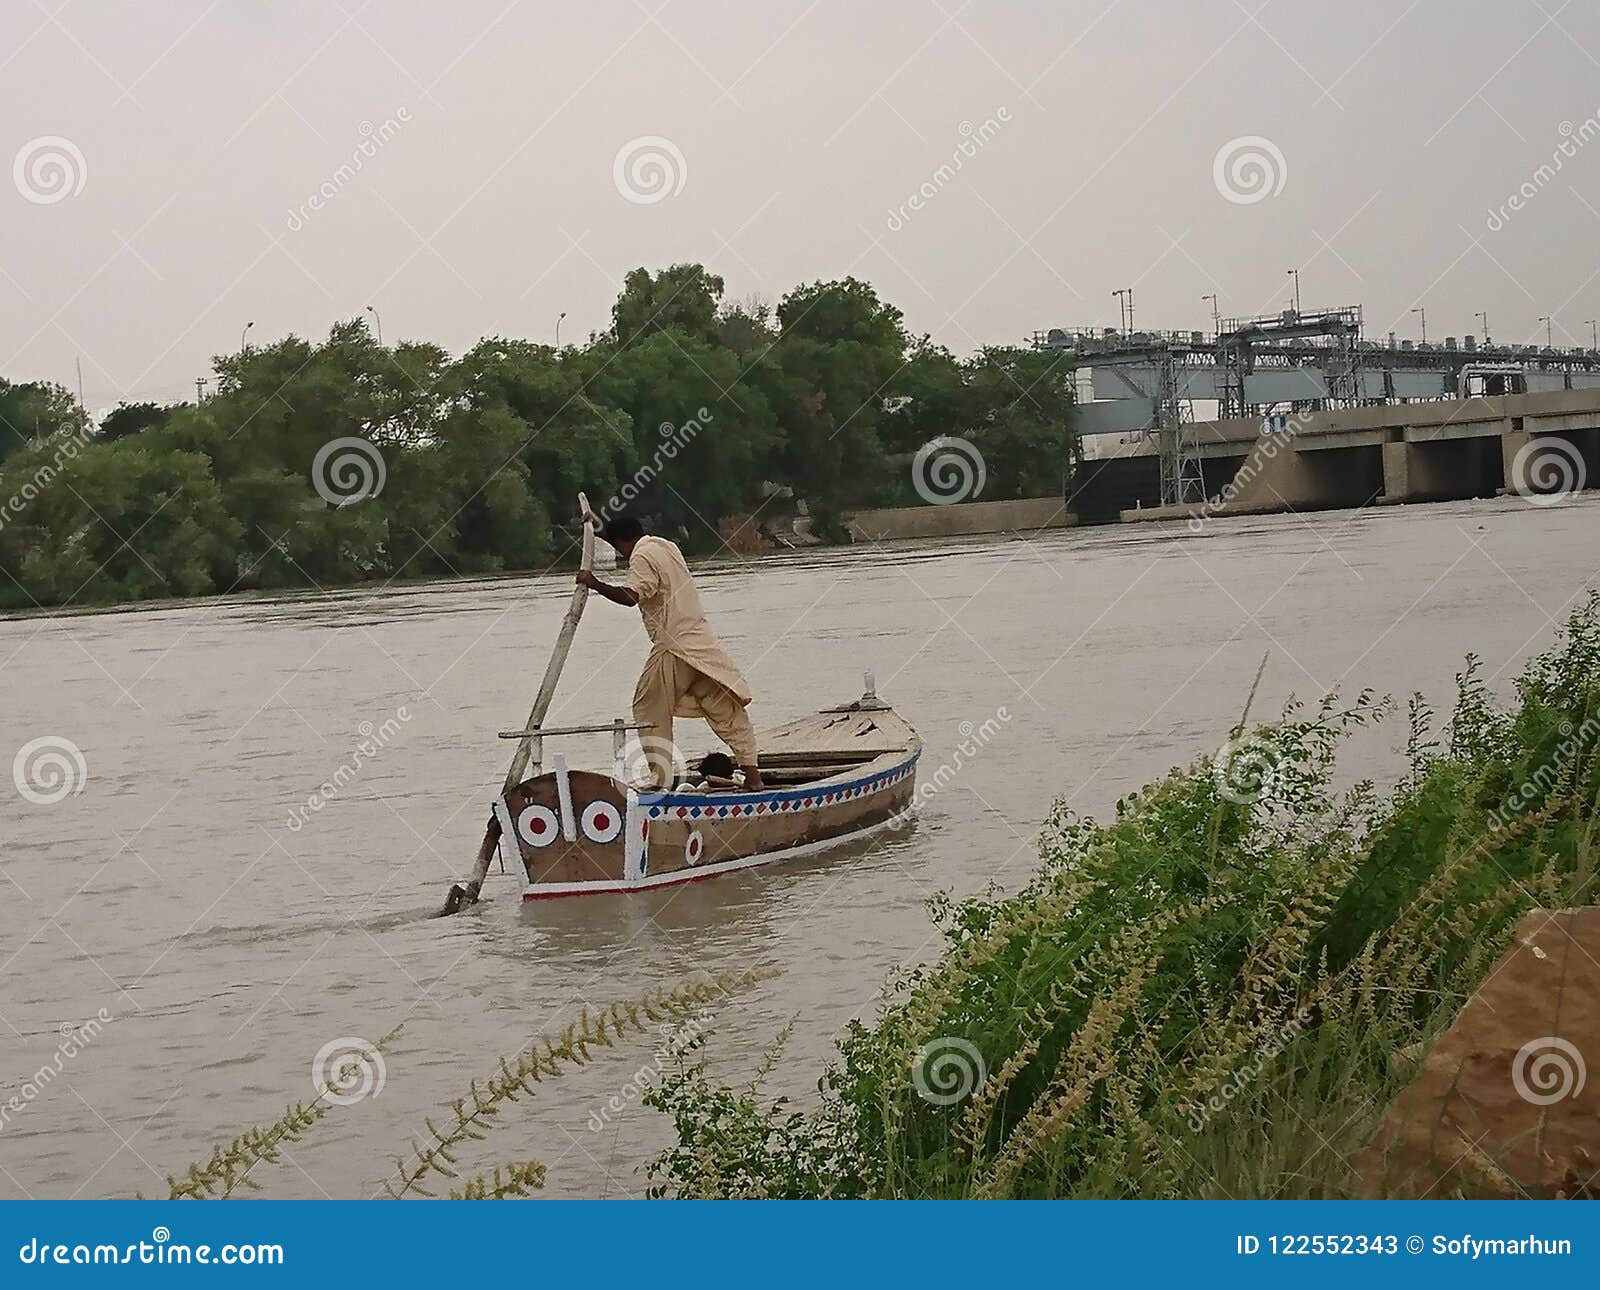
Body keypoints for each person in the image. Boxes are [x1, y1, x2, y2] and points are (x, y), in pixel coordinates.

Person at [577, 516, 764, 790]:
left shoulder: (641, 557)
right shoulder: (665, 546)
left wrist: (594, 582)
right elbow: (625, 540)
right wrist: (598, 530)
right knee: (723, 707)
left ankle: (660, 780)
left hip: (673, 646)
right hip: (700, 643)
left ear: (620, 543)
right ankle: (753, 777)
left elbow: (631, 597)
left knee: (648, 707)